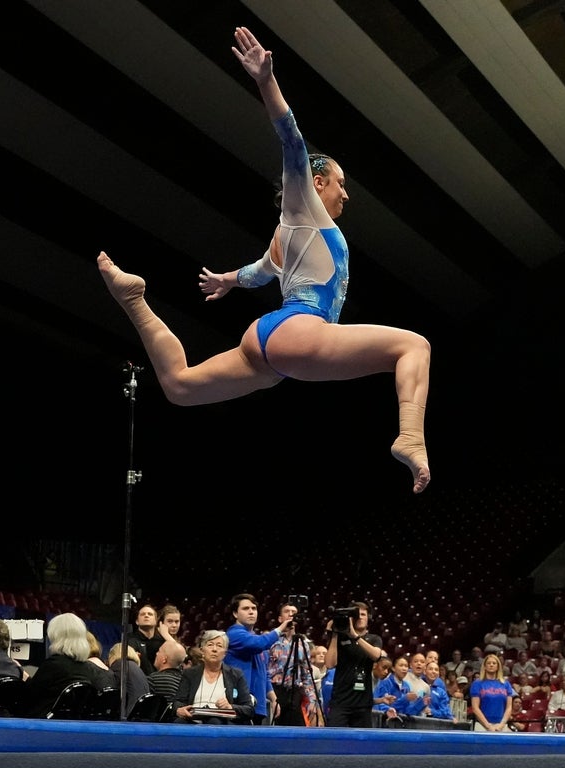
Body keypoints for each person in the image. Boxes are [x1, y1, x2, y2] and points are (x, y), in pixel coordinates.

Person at [97, 25, 432, 495]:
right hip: (300, 330)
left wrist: (228, 280)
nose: (346, 194)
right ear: (317, 183)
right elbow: (292, 141)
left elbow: (260, 272)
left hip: (267, 340)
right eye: (340, 184)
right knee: (413, 346)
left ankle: (134, 300)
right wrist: (265, 79)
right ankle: (411, 437)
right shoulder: (304, 206)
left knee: (180, 387)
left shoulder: (287, 233)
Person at [21, 613, 116, 718]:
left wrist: (25, 679)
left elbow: (29, 699)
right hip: (74, 722)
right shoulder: (87, 668)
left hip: (43, 723)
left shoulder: (53, 665)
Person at [225, 592, 292, 725]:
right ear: (235, 614)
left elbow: (264, 673)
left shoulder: (257, 638)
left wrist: (273, 699)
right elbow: (259, 643)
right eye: (246, 608)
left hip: (258, 705)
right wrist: (280, 629)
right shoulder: (233, 634)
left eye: (254, 608)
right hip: (238, 704)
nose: (251, 612)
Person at [172, 629, 255, 725]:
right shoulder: (189, 674)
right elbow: (178, 702)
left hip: (221, 723)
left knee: (214, 722)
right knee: (179, 723)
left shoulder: (236, 675)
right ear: (202, 650)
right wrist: (179, 709)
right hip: (192, 720)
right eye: (210, 645)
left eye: (219, 646)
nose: (214, 649)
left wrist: (230, 707)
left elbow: (249, 709)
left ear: (225, 653)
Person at [324, 601, 384, 727]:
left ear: (369, 618)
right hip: (340, 701)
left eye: (363, 614)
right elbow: (329, 664)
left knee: (362, 739)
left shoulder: (374, 639)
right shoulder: (340, 638)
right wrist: (334, 634)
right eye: (356, 614)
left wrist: (355, 636)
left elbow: (376, 655)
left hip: (362, 703)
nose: (360, 617)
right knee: (334, 737)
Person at [267, 600, 318, 726]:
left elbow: (307, 673)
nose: (291, 614)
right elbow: (264, 669)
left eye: (294, 612)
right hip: (275, 690)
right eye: (287, 612)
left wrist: (312, 699)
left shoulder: (303, 644)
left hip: (295, 692)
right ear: (280, 618)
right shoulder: (271, 640)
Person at [471, 653, 516, 732]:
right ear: (484, 666)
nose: (491, 665)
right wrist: (488, 726)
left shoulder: (505, 684)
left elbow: (509, 707)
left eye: (494, 663)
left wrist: (501, 725)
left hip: (501, 726)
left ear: (498, 666)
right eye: (488, 663)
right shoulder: (477, 684)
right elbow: (475, 708)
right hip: (482, 726)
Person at [108, 641, 151, 717]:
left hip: (129, 714)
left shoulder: (120, 665)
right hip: (142, 713)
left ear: (113, 655)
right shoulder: (137, 668)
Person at [147, 639, 187, 704]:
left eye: (159, 651)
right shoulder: (186, 682)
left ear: (164, 659)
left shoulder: (153, 680)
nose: (156, 653)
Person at [125, 603, 159, 675]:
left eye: (150, 614)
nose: (146, 616)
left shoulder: (161, 641)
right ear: (137, 621)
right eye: (142, 614)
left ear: (156, 621)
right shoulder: (129, 640)